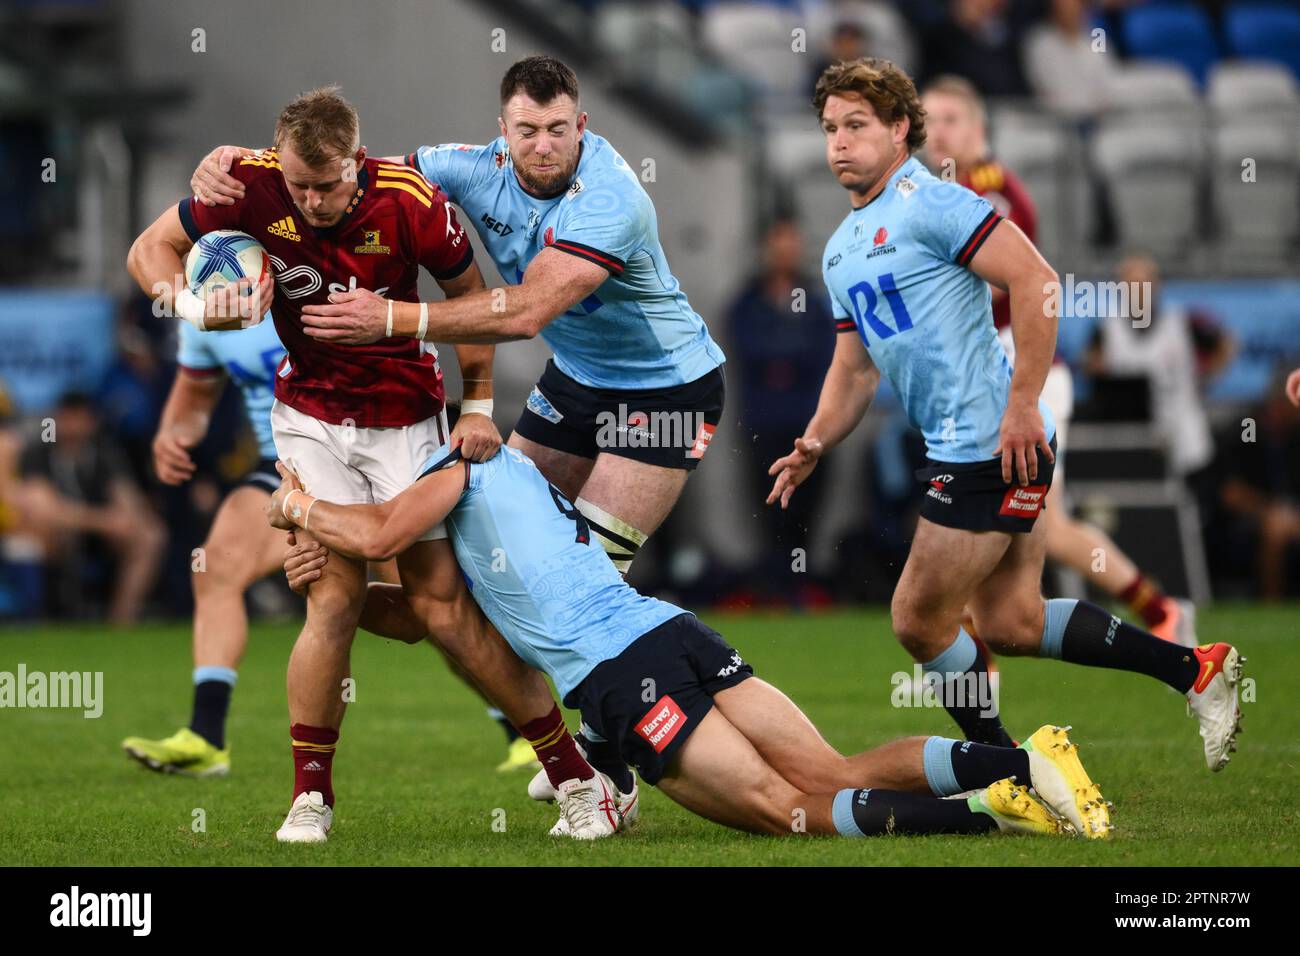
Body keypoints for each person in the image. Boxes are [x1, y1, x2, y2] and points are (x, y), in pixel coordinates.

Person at [126, 86, 608, 842]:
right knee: (332, 600)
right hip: (309, 419)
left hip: (407, 423)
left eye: (328, 184)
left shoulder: (410, 202)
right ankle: (310, 797)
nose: (313, 200)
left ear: (359, 159)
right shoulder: (248, 182)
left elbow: (472, 299)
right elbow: (147, 251)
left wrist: (477, 403)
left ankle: (576, 776)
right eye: (299, 185)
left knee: (442, 611)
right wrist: (189, 306)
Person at [270, 435, 1113, 840]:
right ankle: (1024, 767)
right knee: (831, 774)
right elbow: (424, 616)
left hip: (624, 674)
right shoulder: (490, 492)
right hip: (669, 626)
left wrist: (297, 508)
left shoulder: (449, 468)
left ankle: (996, 820)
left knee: (789, 812)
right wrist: (333, 594)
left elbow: (378, 531)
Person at [766, 58, 1242, 773]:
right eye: (830, 128)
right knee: (1013, 623)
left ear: (900, 129)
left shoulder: (933, 201)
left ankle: (1008, 768)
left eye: (857, 125)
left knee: (917, 619)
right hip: (979, 446)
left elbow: (1039, 283)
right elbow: (855, 369)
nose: (838, 142)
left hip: (989, 445)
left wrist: (1023, 401)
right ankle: (1195, 670)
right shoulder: (839, 250)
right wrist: (816, 439)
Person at [188, 56, 726, 578]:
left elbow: (525, 313)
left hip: (666, 388)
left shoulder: (611, 202)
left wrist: (392, 319)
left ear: (581, 125)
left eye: (558, 129)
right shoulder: (472, 167)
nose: (542, 146)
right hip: (577, 377)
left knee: (585, 578)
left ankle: (678, 667)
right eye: (527, 129)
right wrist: (256, 162)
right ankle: (356, 599)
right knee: (494, 554)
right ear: (503, 129)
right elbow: (355, 174)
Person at [922, 75, 1195, 647]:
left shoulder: (987, 193)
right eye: (929, 120)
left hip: (1019, 369)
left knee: (1013, 518)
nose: (937, 132)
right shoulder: (949, 190)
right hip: (999, 371)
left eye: (951, 119)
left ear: (979, 130)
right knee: (1028, 519)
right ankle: (1162, 613)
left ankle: (1162, 614)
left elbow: (986, 289)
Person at [726, 219, 835, 596]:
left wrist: (781, 360)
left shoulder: (816, 300)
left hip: (808, 426)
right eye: (778, 243)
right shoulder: (748, 301)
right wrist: (787, 355)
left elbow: (824, 355)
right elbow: (747, 350)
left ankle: (801, 584)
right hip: (763, 422)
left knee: (805, 507)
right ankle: (773, 585)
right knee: (769, 502)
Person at [20, 391, 165, 624]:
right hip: (61, 533)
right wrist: (103, 522)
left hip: (99, 535)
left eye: (80, 419)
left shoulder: (104, 452)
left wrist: (127, 518)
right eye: (67, 418)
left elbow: (126, 498)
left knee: (151, 535)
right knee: (44, 530)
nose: (73, 426)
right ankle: (47, 618)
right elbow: (44, 510)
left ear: (92, 422)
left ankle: (121, 622)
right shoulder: (39, 451)